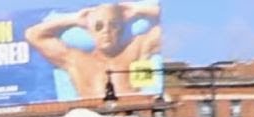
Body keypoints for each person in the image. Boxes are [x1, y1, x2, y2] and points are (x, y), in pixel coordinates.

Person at [25, 2, 162, 99]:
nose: (106, 31)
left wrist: (137, 9)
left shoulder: (136, 49)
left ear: (121, 27)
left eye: (113, 24)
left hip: (129, 116)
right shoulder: (77, 60)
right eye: (98, 26)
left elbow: (172, 19)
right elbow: (33, 35)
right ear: (89, 30)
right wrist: (74, 19)